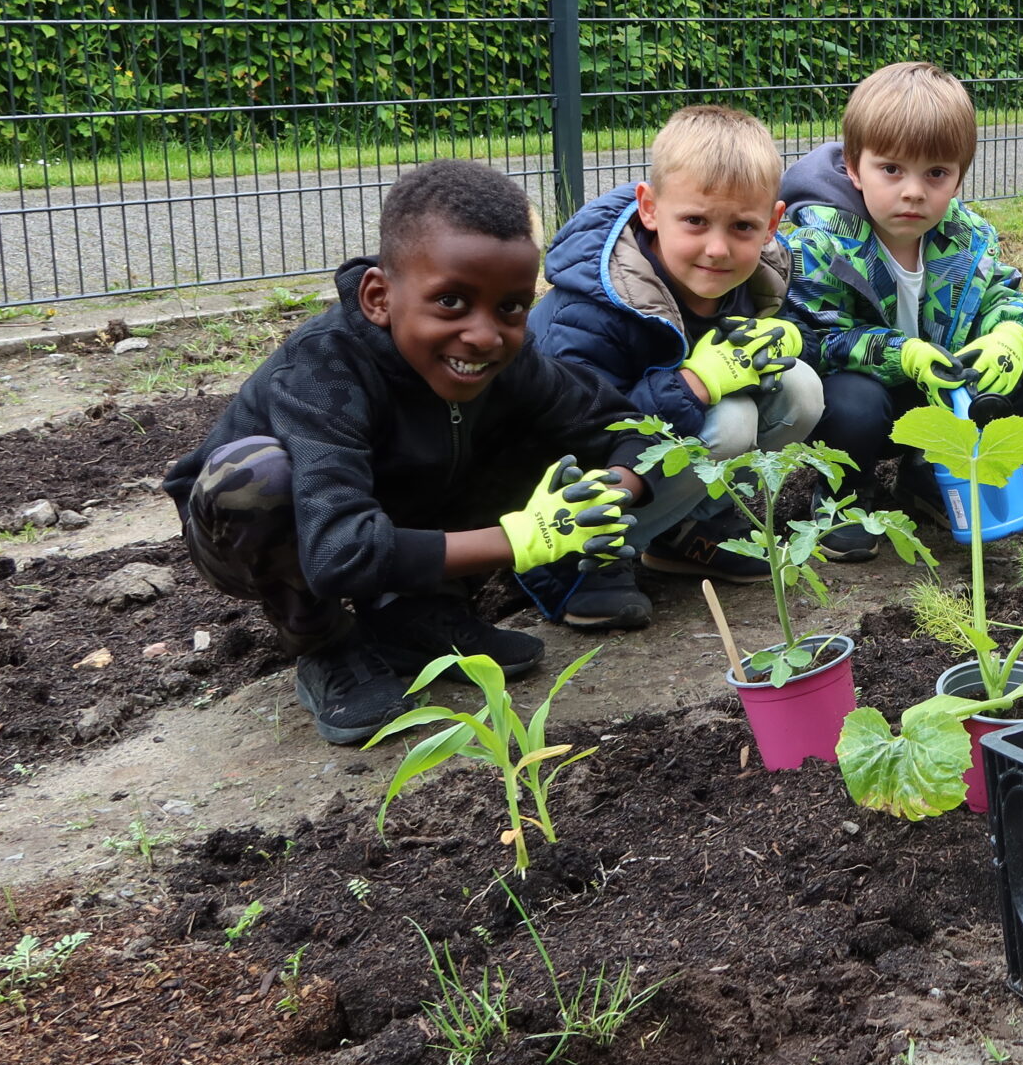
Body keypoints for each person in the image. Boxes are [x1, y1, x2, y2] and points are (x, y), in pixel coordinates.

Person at [161, 161, 693, 746]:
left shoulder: (510, 361)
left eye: (511, 307)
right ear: (378, 297)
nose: (485, 334)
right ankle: (325, 644)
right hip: (258, 531)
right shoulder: (323, 370)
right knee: (257, 477)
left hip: (389, 510)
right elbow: (336, 552)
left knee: (528, 427)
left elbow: (635, 432)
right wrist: (524, 538)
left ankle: (418, 616)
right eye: (451, 302)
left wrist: (608, 492)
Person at [525, 104, 825, 626]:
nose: (717, 248)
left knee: (799, 385)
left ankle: (693, 531)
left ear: (773, 224)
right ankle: (585, 564)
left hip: (656, 447)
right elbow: (577, 432)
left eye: (742, 226)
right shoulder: (594, 307)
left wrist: (791, 337)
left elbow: (800, 342)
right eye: (695, 221)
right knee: (730, 422)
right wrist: (695, 382)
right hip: (560, 485)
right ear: (649, 208)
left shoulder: (757, 277)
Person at [783, 61, 1023, 555]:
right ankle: (843, 493)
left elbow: (1004, 298)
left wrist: (1010, 336)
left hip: (937, 392)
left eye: (936, 174)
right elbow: (818, 340)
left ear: (959, 177)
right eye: (891, 170)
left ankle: (927, 470)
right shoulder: (822, 240)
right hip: (860, 402)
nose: (913, 191)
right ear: (854, 167)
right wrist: (901, 353)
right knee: (853, 406)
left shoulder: (965, 237)